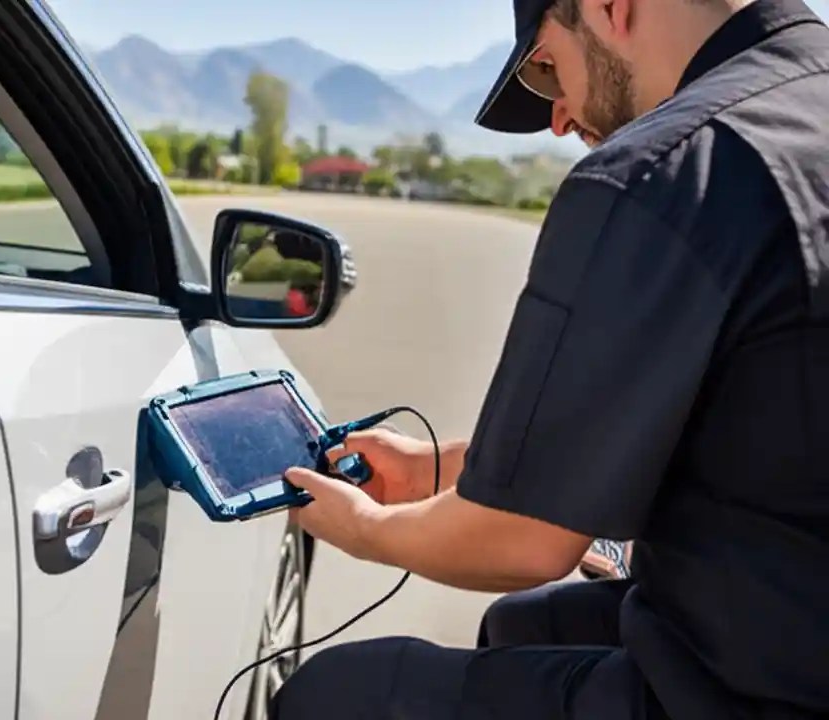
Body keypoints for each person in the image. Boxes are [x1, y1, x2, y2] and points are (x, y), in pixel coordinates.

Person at [271, 0, 829, 718]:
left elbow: (521, 541)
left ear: (611, 7)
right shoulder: (800, 113)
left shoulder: (665, 170)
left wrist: (366, 530)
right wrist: (441, 469)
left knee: (335, 694)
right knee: (526, 626)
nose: (559, 118)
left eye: (545, 69)